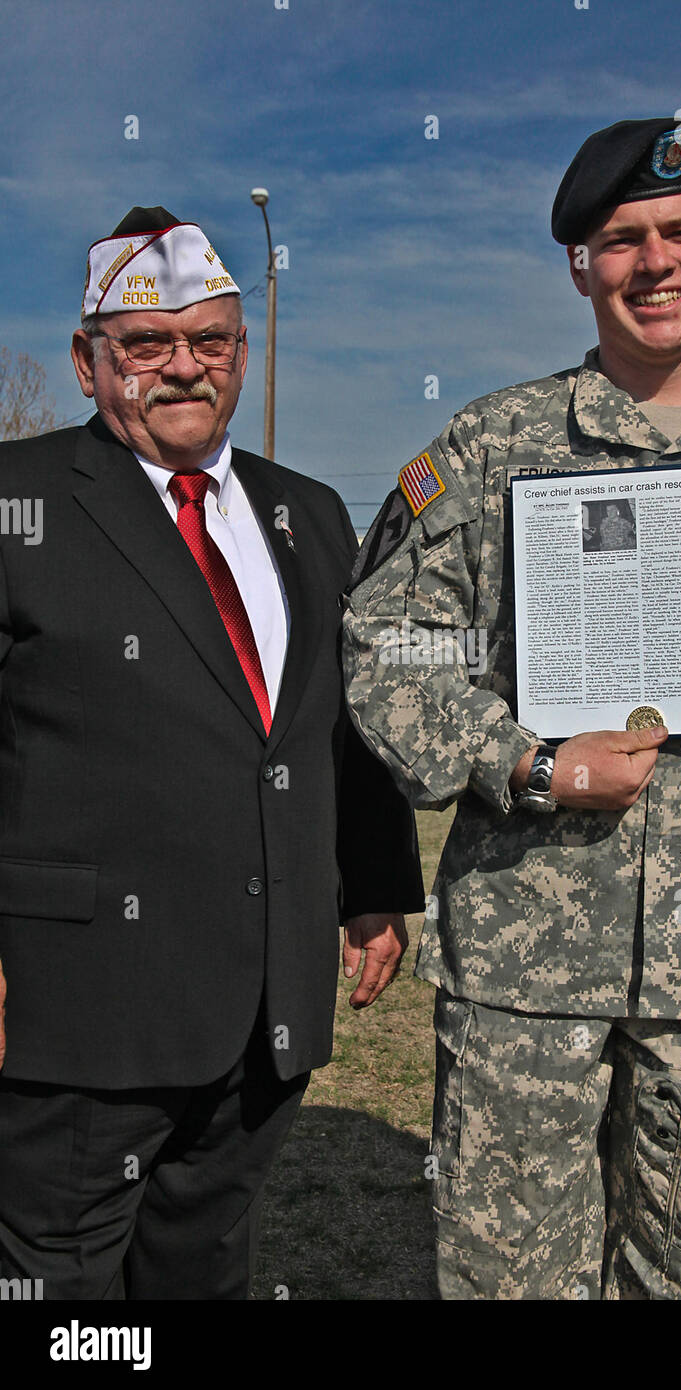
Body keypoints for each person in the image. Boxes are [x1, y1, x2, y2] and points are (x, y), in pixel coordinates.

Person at [343, 118, 681, 1300]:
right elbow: (386, 650)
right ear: (578, 264)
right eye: (618, 240)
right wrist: (528, 763)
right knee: (507, 1284)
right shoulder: (488, 451)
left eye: (678, 232)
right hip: (528, 963)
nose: (653, 262)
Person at [0, 206, 424, 1300]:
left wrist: (372, 886)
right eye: (148, 344)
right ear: (92, 363)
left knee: (202, 1265)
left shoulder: (310, 513)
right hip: (78, 1008)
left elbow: (337, 716)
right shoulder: (19, 502)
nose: (183, 367)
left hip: (262, 1004)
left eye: (212, 341)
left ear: (241, 352)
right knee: (61, 1284)